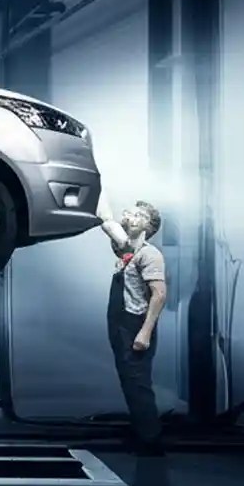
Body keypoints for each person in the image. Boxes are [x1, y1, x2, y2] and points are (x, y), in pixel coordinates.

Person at [96, 191, 168, 455]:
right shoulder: (125, 247)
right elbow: (105, 220)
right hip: (121, 325)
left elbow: (159, 295)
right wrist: (97, 184)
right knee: (129, 382)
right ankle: (143, 435)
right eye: (133, 212)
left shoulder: (150, 255)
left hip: (137, 324)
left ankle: (151, 442)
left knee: (138, 384)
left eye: (141, 215)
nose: (133, 216)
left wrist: (145, 333)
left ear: (148, 227)